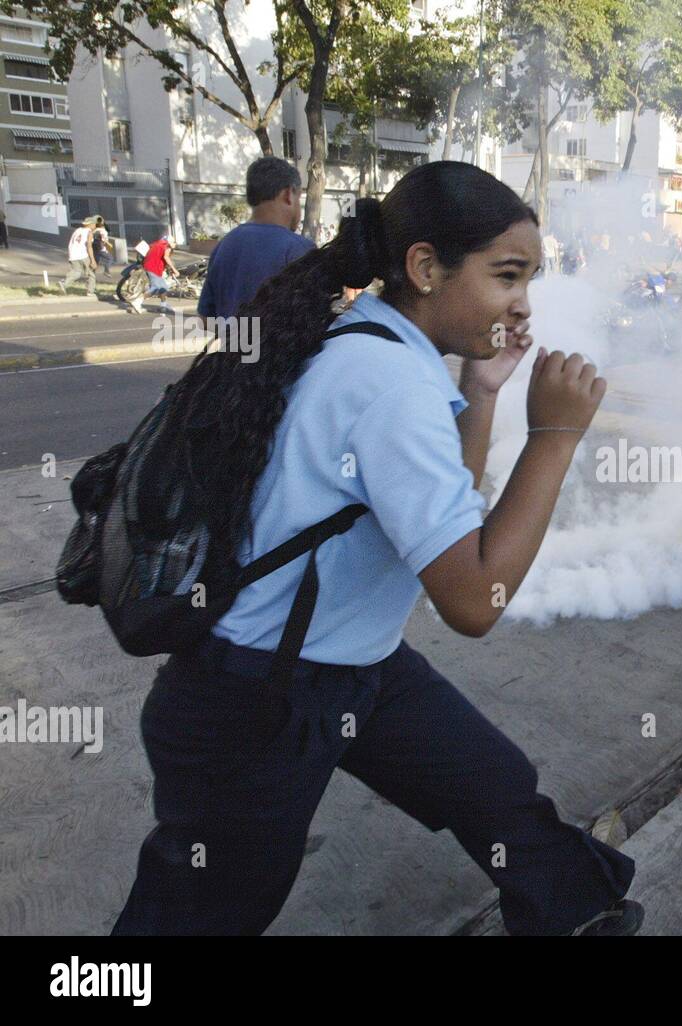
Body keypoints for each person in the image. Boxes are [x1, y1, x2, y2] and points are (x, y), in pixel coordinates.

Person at [110, 160, 641, 937]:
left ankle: (578, 915)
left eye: (529, 280)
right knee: (201, 912)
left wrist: (485, 390)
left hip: (350, 665)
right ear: (425, 267)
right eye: (506, 276)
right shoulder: (388, 380)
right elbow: (472, 599)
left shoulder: (375, 343)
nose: (522, 304)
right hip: (259, 695)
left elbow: (435, 523)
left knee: (493, 789)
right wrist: (555, 437)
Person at [199, 156, 315, 320]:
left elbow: (205, 319)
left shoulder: (223, 246)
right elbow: (313, 319)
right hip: (282, 346)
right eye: (299, 199)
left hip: (233, 345)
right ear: (289, 194)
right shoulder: (299, 249)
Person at [132, 233, 179, 314]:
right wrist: (174, 270)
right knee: (156, 288)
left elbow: (159, 256)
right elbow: (166, 257)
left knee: (163, 287)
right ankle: (137, 301)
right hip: (153, 268)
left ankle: (163, 305)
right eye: (174, 242)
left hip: (151, 266)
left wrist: (167, 268)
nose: (175, 244)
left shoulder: (157, 244)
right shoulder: (166, 246)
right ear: (169, 241)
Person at [58, 218, 98, 297]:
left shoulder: (77, 230)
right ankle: (90, 291)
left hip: (73, 255)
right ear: (91, 225)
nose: (95, 226)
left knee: (76, 272)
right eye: (94, 224)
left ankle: (64, 283)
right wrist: (93, 260)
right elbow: (89, 246)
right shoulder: (89, 233)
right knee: (91, 274)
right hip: (83, 255)